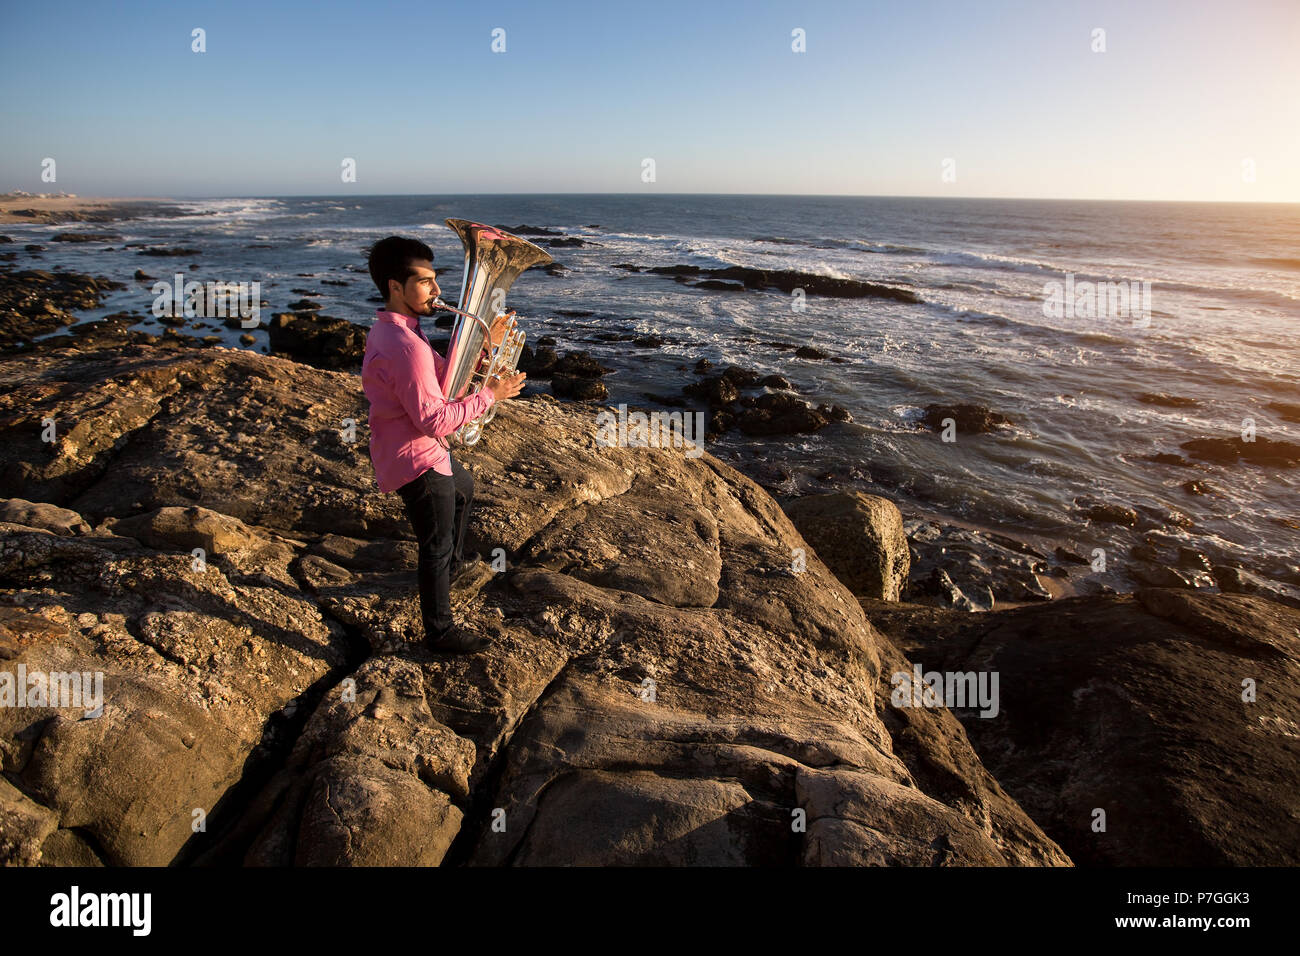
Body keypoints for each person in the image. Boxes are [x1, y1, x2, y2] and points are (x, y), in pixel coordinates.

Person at [361, 235, 526, 654]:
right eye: (425, 282)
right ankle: (440, 632)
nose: (437, 291)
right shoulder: (404, 347)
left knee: (464, 489)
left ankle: (452, 566)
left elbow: (443, 381)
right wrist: (492, 395)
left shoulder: (397, 332)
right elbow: (435, 418)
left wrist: (486, 350)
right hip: (416, 455)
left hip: (414, 445)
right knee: (433, 546)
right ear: (395, 287)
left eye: (436, 281)